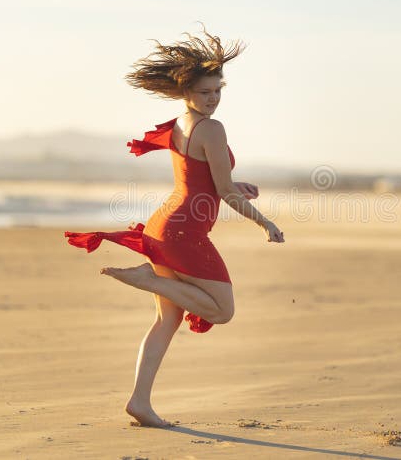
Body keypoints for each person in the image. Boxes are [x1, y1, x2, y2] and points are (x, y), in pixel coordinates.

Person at [64, 23, 285, 428]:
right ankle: (149, 278)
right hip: (184, 233)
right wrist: (265, 222)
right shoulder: (212, 129)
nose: (213, 99)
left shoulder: (183, 122)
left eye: (218, 90)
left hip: (166, 223)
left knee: (167, 321)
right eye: (205, 92)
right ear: (187, 92)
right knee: (222, 310)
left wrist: (233, 185)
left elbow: (203, 179)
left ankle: (139, 403)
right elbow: (223, 192)